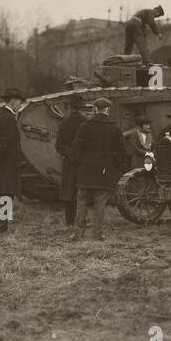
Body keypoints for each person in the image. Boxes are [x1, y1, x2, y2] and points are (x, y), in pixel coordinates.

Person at [68, 96, 129, 241]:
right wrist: (117, 169)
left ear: (95, 109)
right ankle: (97, 234)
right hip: (104, 172)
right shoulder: (114, 128)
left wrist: (76, 165)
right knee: (100, 204)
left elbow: (76, 149)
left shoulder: (85, 126)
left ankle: (78, 234)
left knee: (81, 202)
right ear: (108, 109)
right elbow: (121, 153)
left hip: (85, 171)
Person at [0, 88, 26, 233]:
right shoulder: (9, 119)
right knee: (7, 194)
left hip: (1, 162)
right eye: (19, 103)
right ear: (13, 102)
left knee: (1, 193)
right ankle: (2, 227)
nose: (20, 106)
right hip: (7, 162)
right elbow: (6, 143)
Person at [56, 97, 92, 225]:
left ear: (70, 107)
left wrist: (70, 154)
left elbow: (58, 145)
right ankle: (81, 220)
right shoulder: (86, 122)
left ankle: (69, 220)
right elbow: (89, 144)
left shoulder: (65, 122)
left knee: (69, 191)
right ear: (81, 107)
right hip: (83, 162)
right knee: (82, 191)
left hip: (69, 161)